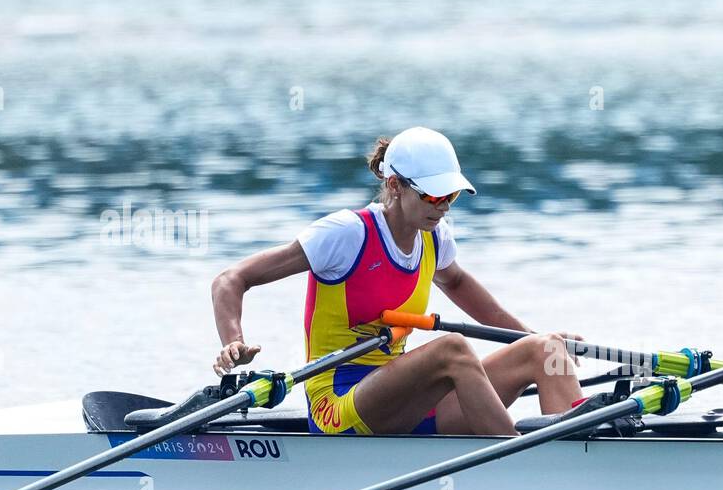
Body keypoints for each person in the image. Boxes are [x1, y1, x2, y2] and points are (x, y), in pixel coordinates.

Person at [210, 127, 580, 436]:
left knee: (544, 348)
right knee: (452, 348)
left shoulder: (435, 237)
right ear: (395, 185)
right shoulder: (346, 234)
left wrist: (541, 340)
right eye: (434, 195)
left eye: (451, 195)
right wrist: (233, 342)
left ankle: (577, 458)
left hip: (405, 401)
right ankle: (524, 460)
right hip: (338, 403)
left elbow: (482, 304)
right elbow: (231, 279)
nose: (445, 206)